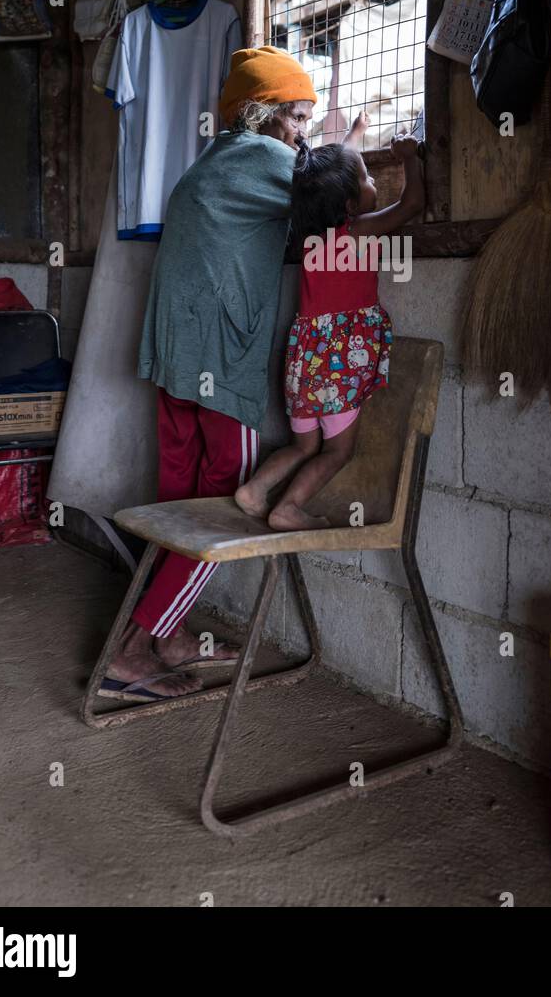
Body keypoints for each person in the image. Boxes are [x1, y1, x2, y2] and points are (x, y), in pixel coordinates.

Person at [102, 46, 317, 701]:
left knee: (180, 507)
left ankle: (168, 634)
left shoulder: (211, 164)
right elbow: (337, 207)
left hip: (174, 367)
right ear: (272, 115)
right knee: (226, 511)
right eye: (302, 118)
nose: (304, 133)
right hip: (220, 368)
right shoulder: (272, 161)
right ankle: (135, 649)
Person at [235, 117, 424, 532]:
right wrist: (410, 158)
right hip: (338, 364)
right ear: (351, 207)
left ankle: (254, 490)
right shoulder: (358, 232)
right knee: (336, 452)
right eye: (368, 177)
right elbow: (411, 206)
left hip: (304, 362)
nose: (372, 179)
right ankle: (287, 508)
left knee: (303, 445)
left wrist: (356, 131)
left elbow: (340, 167)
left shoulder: (312, 239)